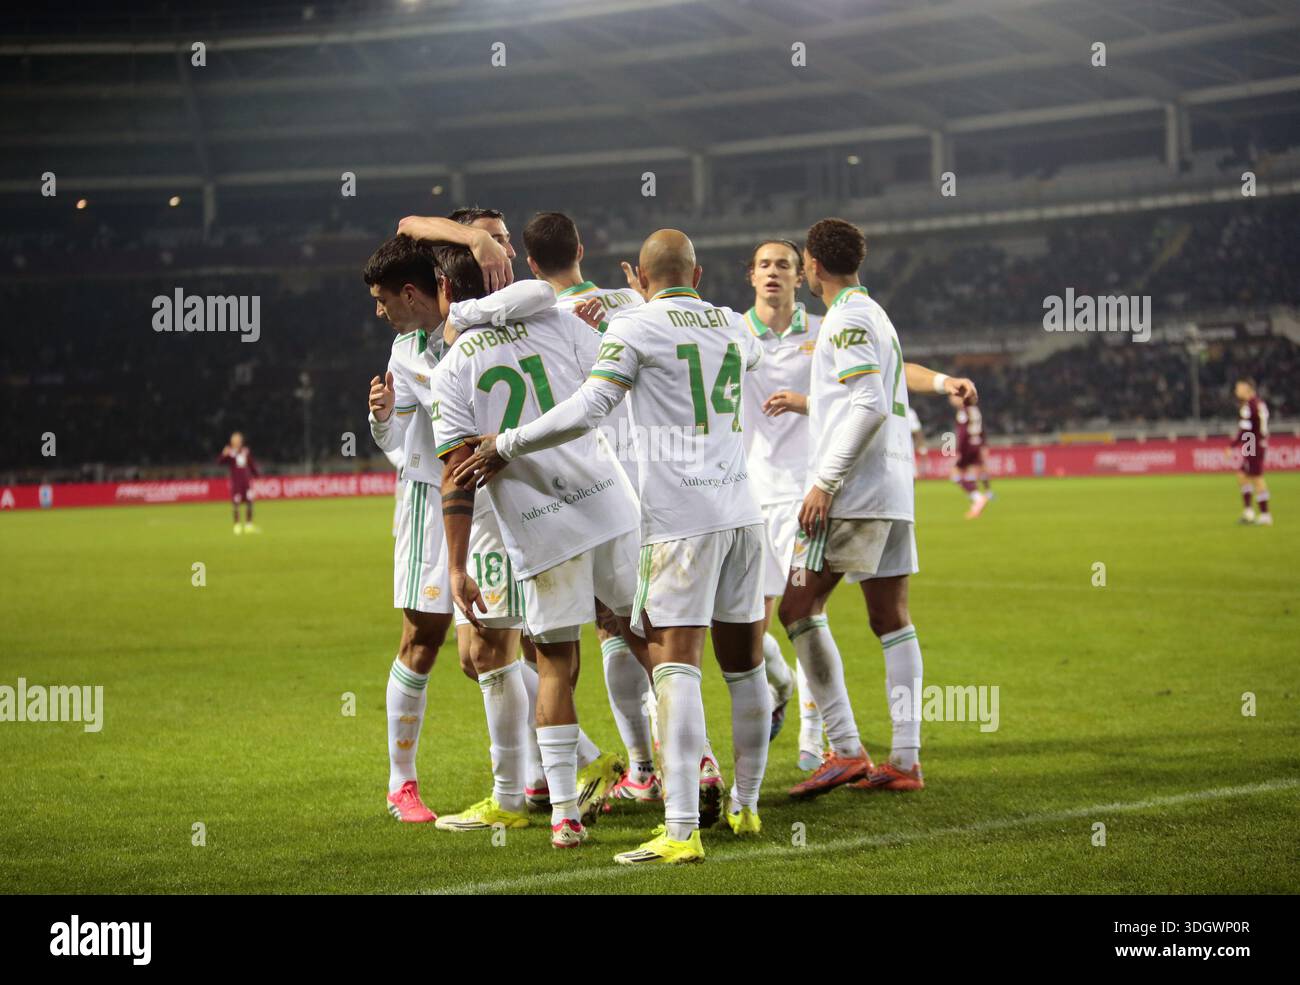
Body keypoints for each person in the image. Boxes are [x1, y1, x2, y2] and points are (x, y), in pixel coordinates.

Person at [453, 230, 773, 865]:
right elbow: (746, 356)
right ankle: (747, 804)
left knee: (675, 663)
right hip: (743, 514)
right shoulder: (736, 325)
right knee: (746, 668)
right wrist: (633, 300)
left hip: (681, 521)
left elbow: (589, 407)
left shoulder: (637, 327)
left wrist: (508, 444)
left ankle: (680, 830)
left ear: (639, 274)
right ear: (700, 272)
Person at [1232, 377, 1272, 526]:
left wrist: (1232, 446)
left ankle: (1265, 515)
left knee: (1257, 478)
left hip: (1253, 444)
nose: (1236, 391)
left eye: (1239, 388)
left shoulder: (1250, 405)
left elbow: (1245, 430)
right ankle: (1249, 512)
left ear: (1247, 389)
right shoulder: (1259, 404)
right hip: (1254, 444)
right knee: (1242, 475)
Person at [217, 432, 258, 534]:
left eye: (239, 440)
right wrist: (223, 454)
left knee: (250, 502)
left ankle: (249, 525)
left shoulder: (245, 451)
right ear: (232, 441)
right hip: (236, 483)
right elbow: (220, 462)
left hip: (246, 482)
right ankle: (237, 525)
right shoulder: (230, 452)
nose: (238, 441)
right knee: (236, 503)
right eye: (236, 440)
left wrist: (256, 474)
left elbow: (251, 464)